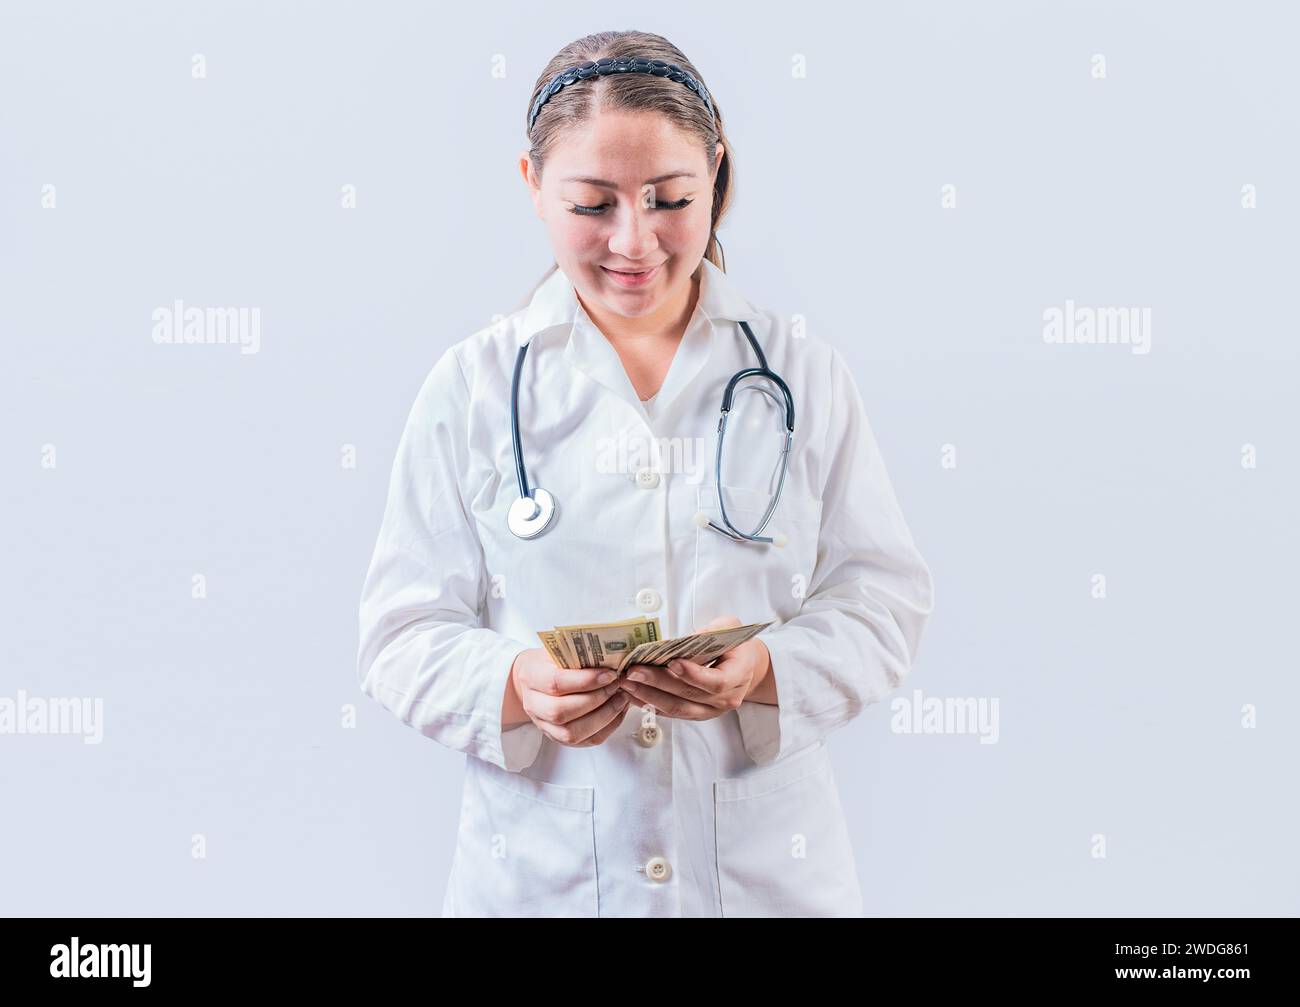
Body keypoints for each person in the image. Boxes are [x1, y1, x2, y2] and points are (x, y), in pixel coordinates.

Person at [356, 29, 935, 918]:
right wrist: (512, 687)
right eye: (593, 204)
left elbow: (882, 600)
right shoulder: (472, 388)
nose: (635, 240)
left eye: (670, 198)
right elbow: (400, 633)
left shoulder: (800, 374)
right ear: (531, 186)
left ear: (717, 174)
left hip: (763, 878)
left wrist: (766, 670)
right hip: (540, 876)